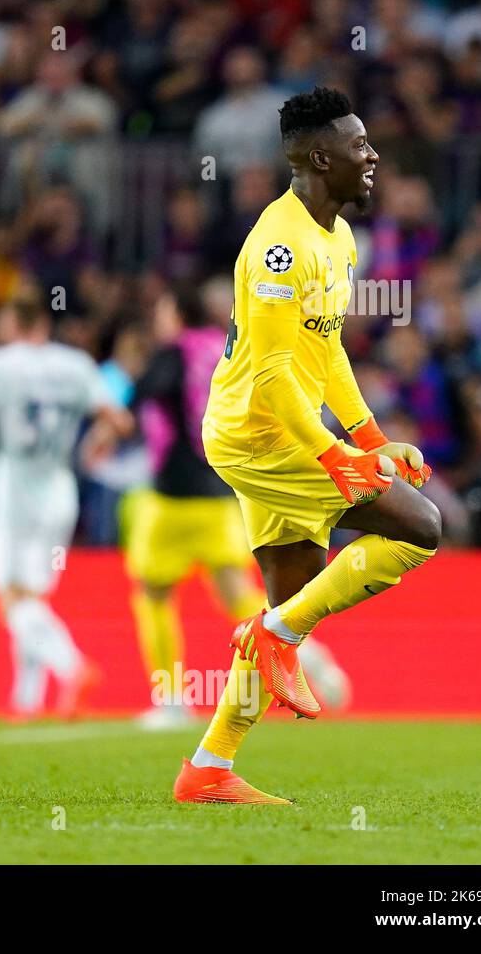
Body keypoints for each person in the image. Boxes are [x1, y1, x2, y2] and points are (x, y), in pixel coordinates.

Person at [174, 87, 439, 805]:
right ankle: (278, 633)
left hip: (279, 431)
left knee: (293, 597)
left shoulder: (338, 238)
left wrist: (373, 439)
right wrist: (334, 456)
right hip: (255, 437)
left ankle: (209, 768)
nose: (373, 154)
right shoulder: (279, 246)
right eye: (359, 146)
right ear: (321, 156)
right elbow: (272, 371)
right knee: (421, 527)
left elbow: (324, 355)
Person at [124, 287, 351, 731]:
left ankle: (171, 700)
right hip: (222, 490)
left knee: (153, 591)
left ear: (177, 311)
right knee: (236, 593)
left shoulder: (173, 353)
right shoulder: (228, 345)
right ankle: (309, 652)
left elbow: (141, 395)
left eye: (162, 308)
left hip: (173, 496)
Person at [0, 293, 130, 719]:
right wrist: (96, 444)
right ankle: (27, 697)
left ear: (13, 324)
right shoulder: (76, 365)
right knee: (32, 597)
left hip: (15, 487)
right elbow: (120, 421)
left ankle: (72, 669)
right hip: (59, 488)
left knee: (9, 597)